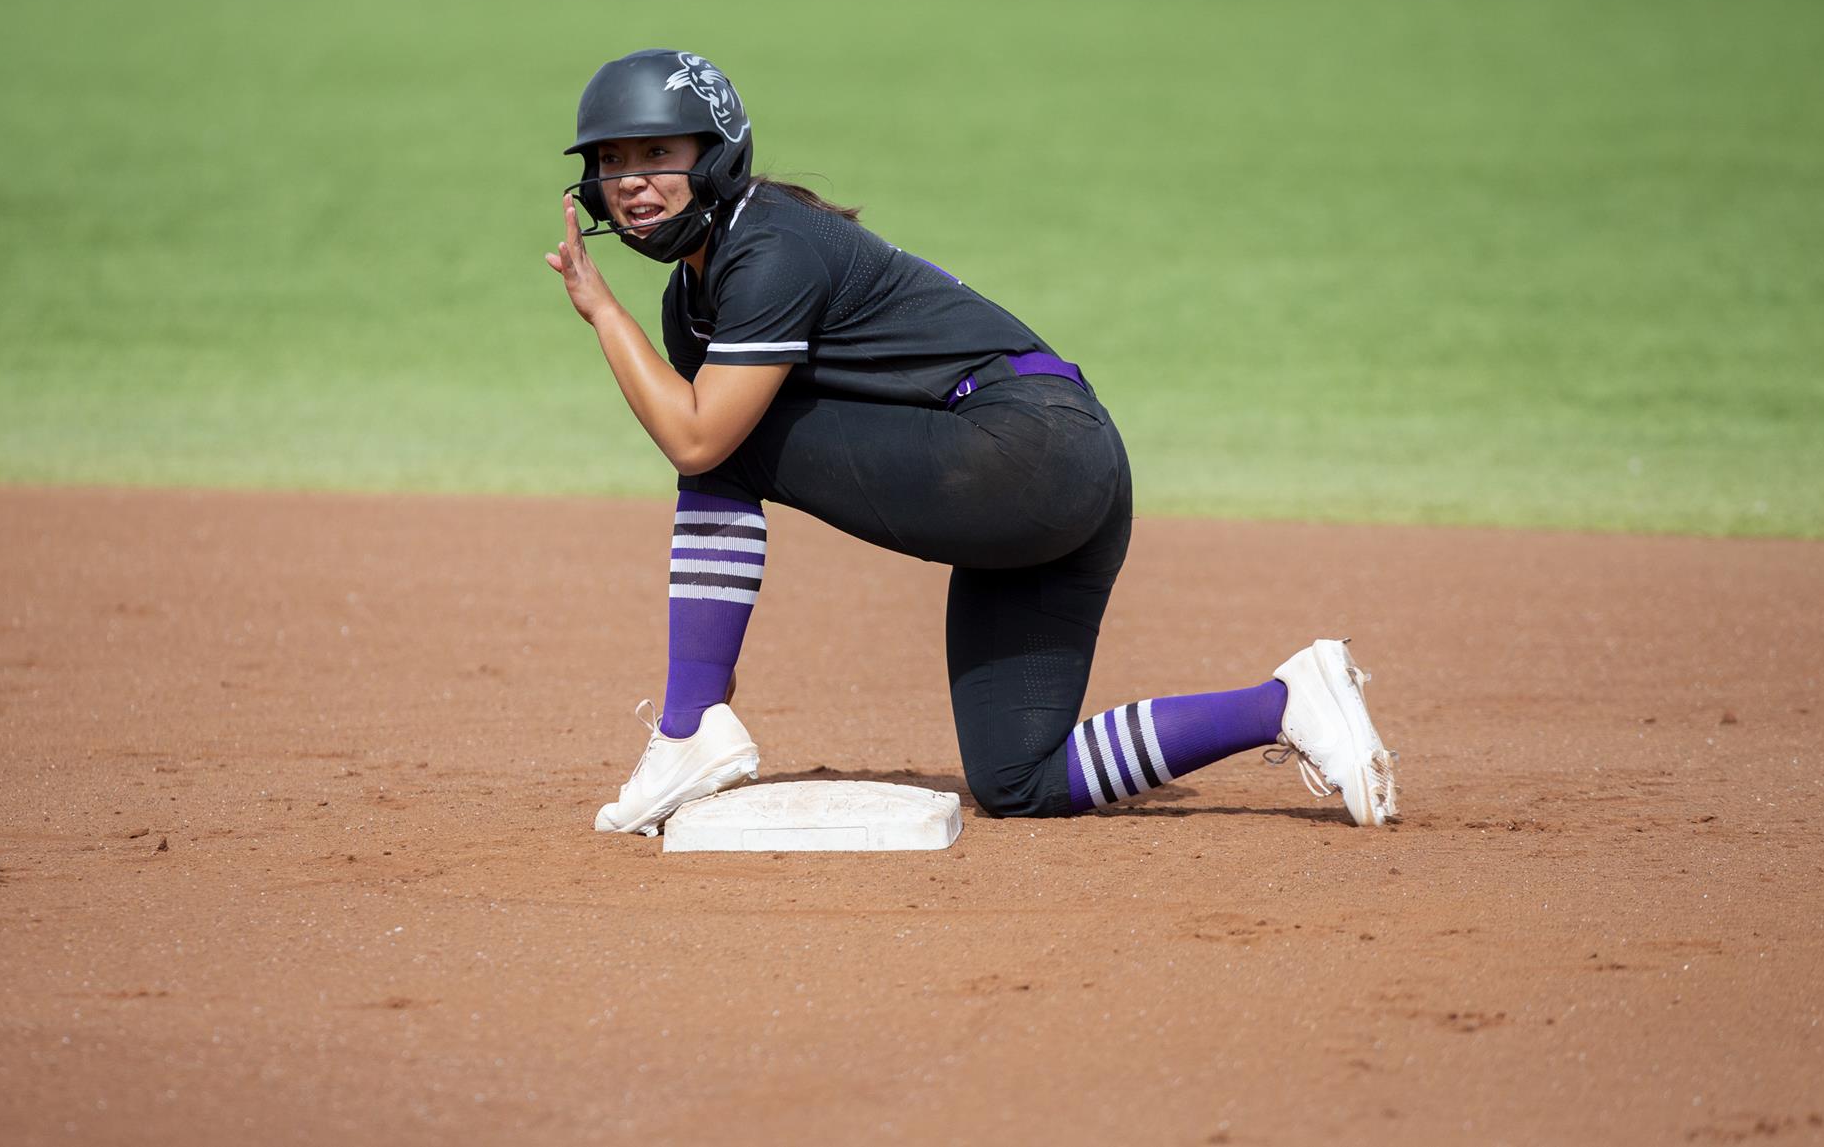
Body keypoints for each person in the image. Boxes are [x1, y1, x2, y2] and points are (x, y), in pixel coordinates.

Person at [544, 48, 1399, 836]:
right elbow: (704, 444)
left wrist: (600, 308)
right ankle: (1287, 701)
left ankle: (686, 727)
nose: (632, 182)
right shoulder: (697, 298)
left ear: (717, 152)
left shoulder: (770, 246)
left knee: (725, 442)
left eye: (658, 153)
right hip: (1052, 468)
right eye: (611, 161)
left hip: (1027, 450)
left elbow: (699, 443)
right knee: (1017, 777)